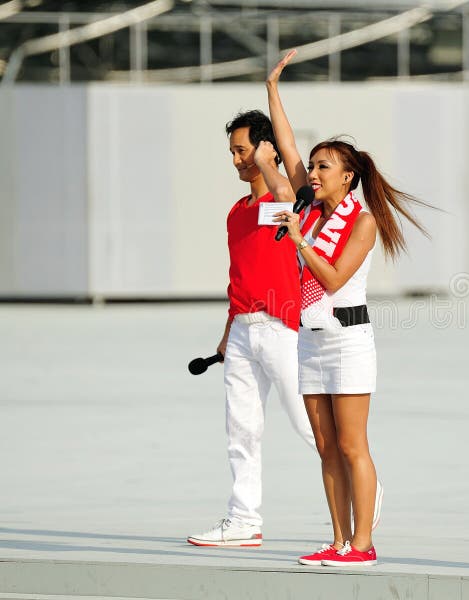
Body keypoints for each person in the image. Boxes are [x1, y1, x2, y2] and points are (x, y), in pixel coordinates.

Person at [263, 49, 428, 566]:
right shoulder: (309, 208)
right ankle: (337, 540)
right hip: (310, 341)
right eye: (312, 166)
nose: (312, 172)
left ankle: (363, 544)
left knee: (354, 446)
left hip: (349, 341)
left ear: (348, 177)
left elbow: (332, 279)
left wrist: (298, 242)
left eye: (323, 167)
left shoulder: (362, 222)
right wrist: (272, 88)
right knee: (325, 448)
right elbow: (286, 145)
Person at [187, 109, 317, 547]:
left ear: (265, 151)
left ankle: (361, 496)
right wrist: (228, 330)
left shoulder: (285, 206)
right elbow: (237, 276)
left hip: (282, 329)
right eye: (233, 152)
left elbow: (284, 193)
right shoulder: (236, 213)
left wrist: (268, 158)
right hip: (243, 329)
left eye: (242, 150)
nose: (236, 160)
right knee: (241, 429)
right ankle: (243, 520)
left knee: (309, 423)